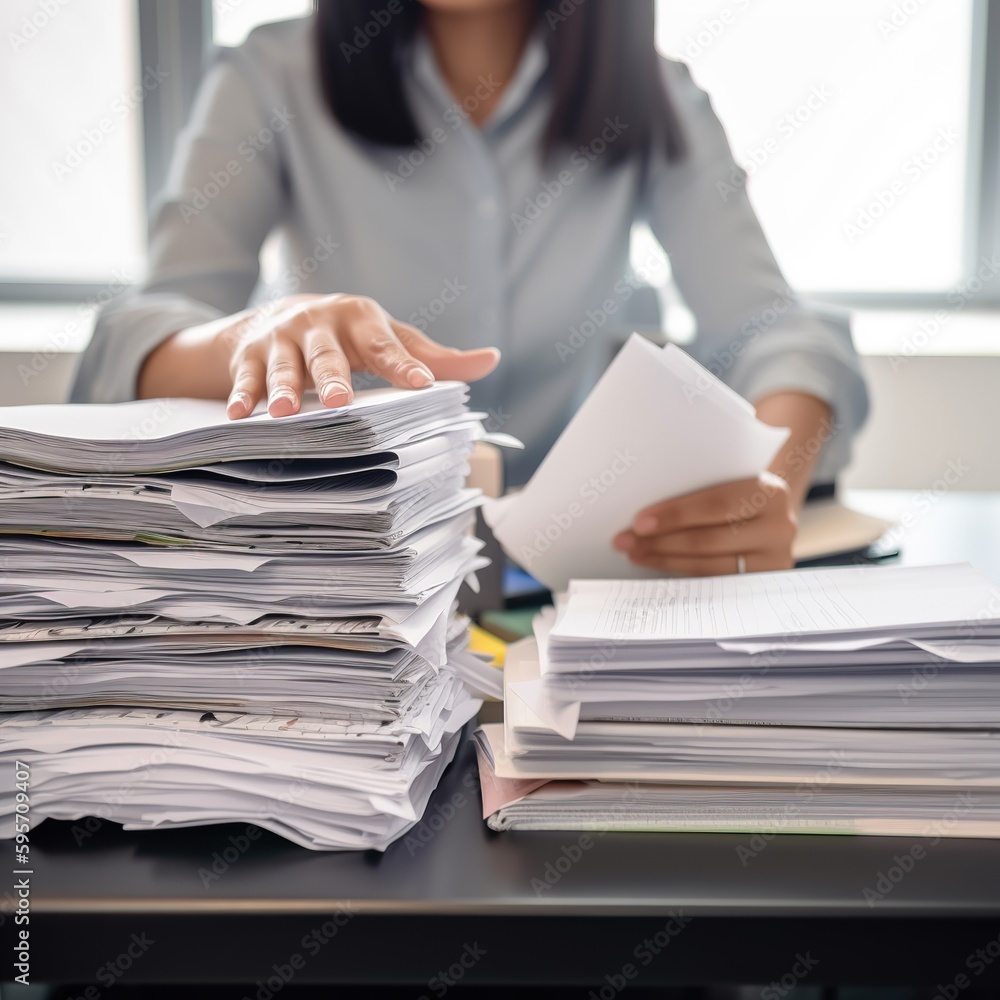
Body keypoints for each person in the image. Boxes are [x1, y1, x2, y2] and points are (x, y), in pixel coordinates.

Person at [71, 0, 869, 576]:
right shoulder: (267, 75)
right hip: (349, 573)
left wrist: (774, 487)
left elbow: (776, 330)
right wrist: (252, 334)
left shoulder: (654, 90)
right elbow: (135, 342)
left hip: (590, 576)